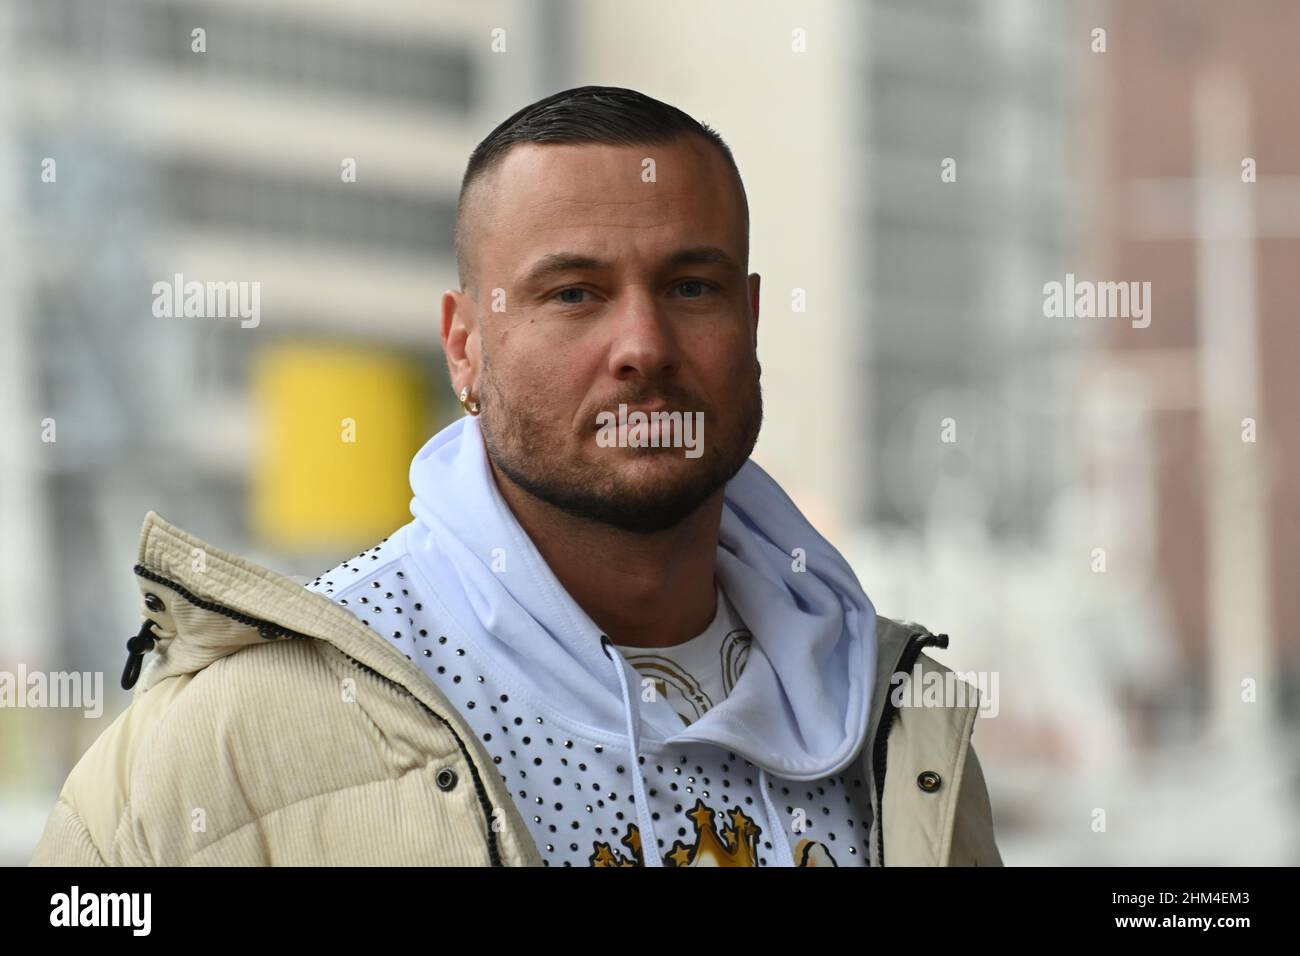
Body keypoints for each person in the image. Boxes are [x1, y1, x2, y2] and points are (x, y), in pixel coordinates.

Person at [29, 85, 1001, 867]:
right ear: (465, 348)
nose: (642, 345)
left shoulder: (899, 731)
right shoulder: (224, 745)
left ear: (748, 322)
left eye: (690, 286)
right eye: (573, 293)